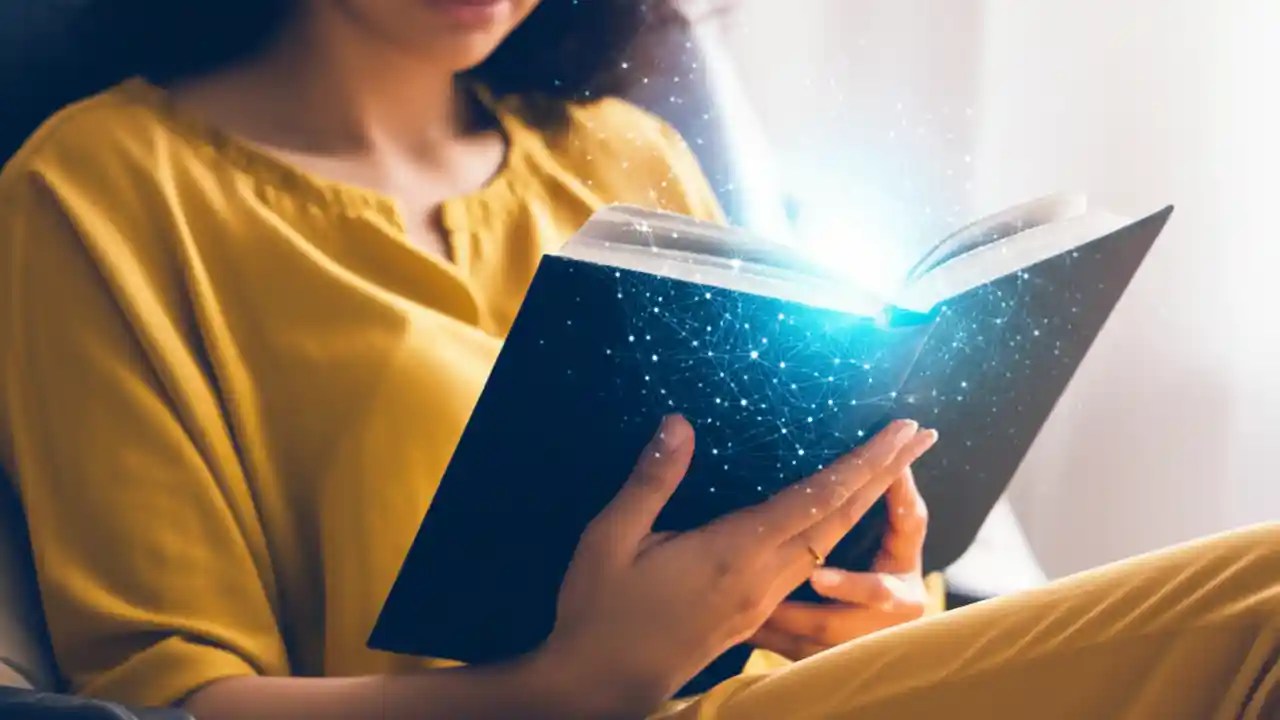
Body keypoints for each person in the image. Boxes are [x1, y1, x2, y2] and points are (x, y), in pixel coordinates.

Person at [0, 1, 1274, 718]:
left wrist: (874, 607)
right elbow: (170, 698)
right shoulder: (99, 189)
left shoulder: (621, 151)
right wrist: (571, 685)